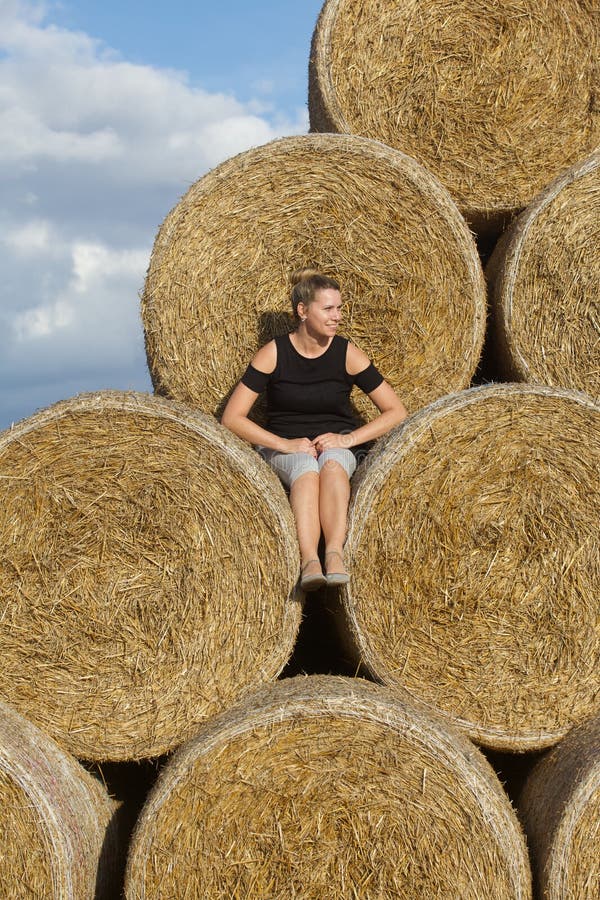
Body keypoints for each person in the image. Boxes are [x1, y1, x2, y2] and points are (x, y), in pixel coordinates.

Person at [221, 269, 408, 591]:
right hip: (284, 445)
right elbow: (233, 418)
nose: (337, 317)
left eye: (339, 308)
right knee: (307, 469)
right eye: (328, 309)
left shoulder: (347, 353)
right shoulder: (273, 353)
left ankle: (334, 553)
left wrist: (348, 439)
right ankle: (309, 560)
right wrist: (284, 444)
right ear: (302, 311)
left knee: (333, 464)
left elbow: (396, 411)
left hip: (337, 442)